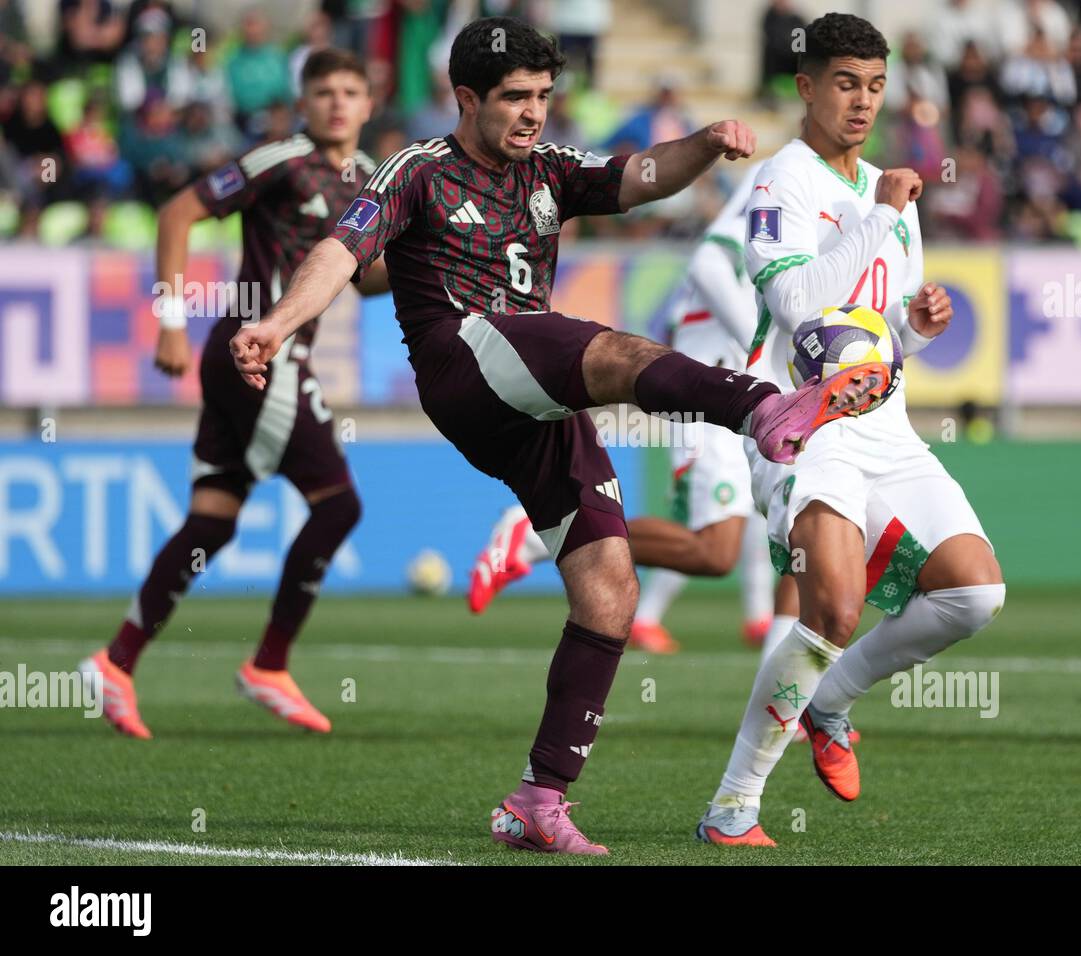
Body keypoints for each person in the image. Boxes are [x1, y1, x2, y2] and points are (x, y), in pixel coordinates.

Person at [228, 17, 881, 856]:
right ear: (466, 98)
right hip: (464, 359)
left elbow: (642, 176)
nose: (534, 113)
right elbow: (339, 250)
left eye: (543, 95)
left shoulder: (551, 169)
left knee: (610, 590)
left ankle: (539, 798)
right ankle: (760, 407)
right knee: (612, 351)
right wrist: (277, 324)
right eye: (514, 98)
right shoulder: (418, 170)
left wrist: (708, 143)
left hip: (528, 394)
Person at [695, 13, 1006, 847]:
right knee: (832, 606)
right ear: (805, 86)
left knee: (975, 592)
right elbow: (799, 309)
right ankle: (732, 808)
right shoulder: (780, 184)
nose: (863, 101)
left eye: (874, 84)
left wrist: (920, 324)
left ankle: (830, 702)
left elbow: (878, 330)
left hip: (887, 426)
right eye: (845, 83)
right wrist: (878, 213)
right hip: (804, 422)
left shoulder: (888, 194)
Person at [79, 49, 385, 740]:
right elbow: (176, 214)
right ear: (303, 102)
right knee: (338, 506)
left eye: (351, 90)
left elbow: (365, 279)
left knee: (213, 520)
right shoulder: (280, 158)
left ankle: (115, 660)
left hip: (263, 359)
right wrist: (168, 321)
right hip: (255, 353)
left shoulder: (369, 182)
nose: (337, 102)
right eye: (324, 91)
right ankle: (269, 664)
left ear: (370, 103)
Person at [466, 166, 777, 653]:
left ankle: (792, 675)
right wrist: (756, 355)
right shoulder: (747, 233)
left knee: (753, 536)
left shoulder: (783, 245)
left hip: (745, 410)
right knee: (715, 551)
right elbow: (705, 271)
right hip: (714, 410)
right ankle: (539, 530)